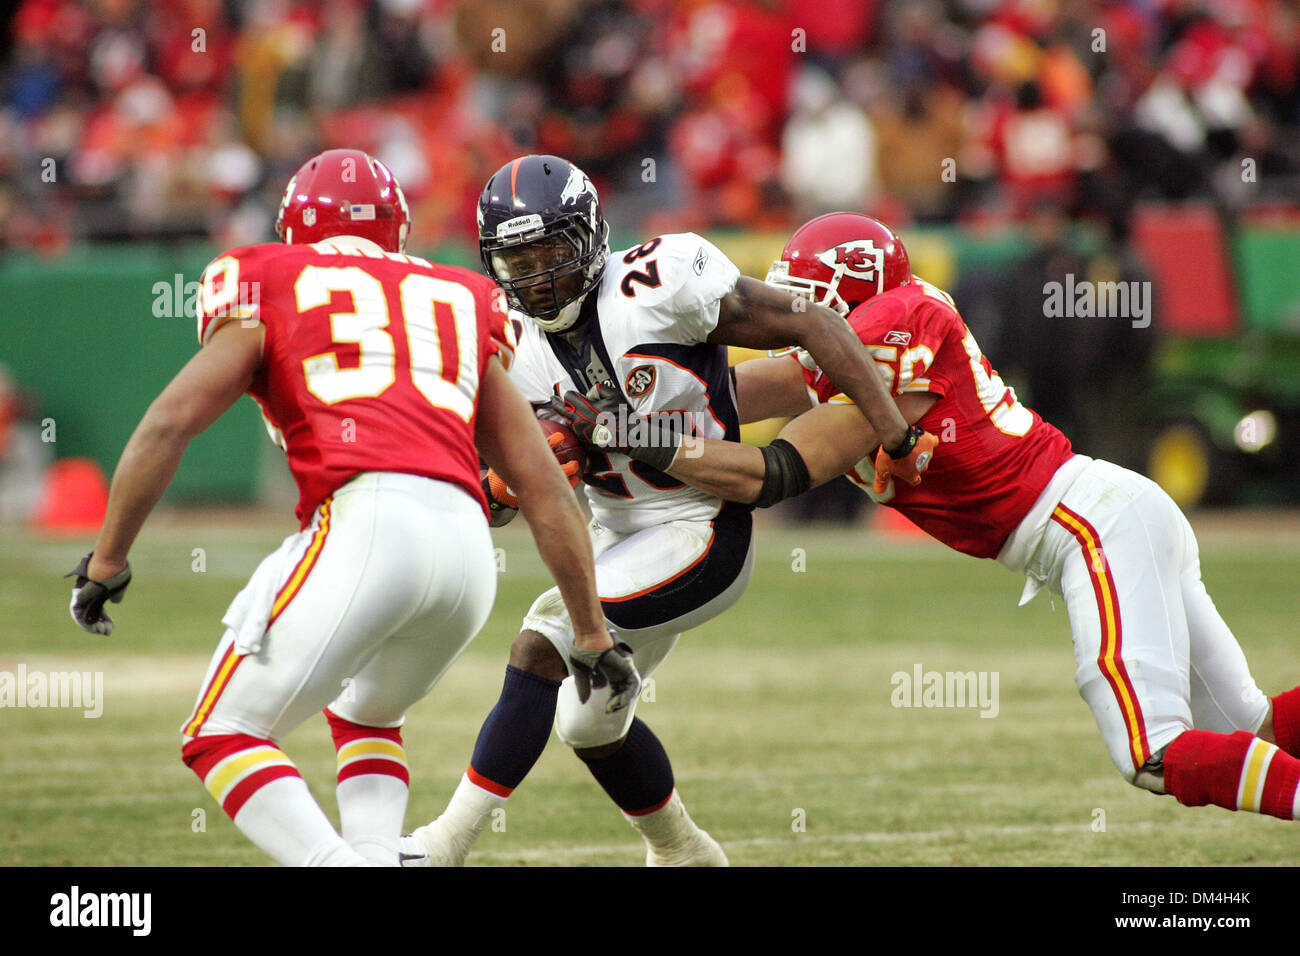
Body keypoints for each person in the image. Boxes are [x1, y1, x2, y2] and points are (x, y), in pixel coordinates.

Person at [605, 211, 1300, 825]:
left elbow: (776, 472)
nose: (793, 313)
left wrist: (652, 440)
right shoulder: (868, 337)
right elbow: (728, 394)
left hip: (1092, 526)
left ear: (857, 290)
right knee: (1252, 724)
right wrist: (614, 410)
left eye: (809, 298)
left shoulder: (902, 323)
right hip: (1109, 514)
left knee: (1153, 752)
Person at [66, 148, 638, 867]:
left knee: (221, 732)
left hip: (366, 520)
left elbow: (169, 422)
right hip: (466, 553)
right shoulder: (462, 296)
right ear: (397, 229)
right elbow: (545, 486)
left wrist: (110, 557)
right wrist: (590, 628)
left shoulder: (266, 277)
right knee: (366, 712)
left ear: (294, 228)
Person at [401, 156, 936, 866]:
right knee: (588, 724)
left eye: (551, 251)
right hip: (614, 535)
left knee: (545, 637)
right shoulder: (502, 337)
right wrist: (504, 485)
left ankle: (441, 848)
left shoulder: (660, 280)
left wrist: (895, 434)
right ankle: (685, 851)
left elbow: (810, 323)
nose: (537, 276)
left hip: (700, 526)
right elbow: (488, 497)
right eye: (517, 259)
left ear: (590, 236)